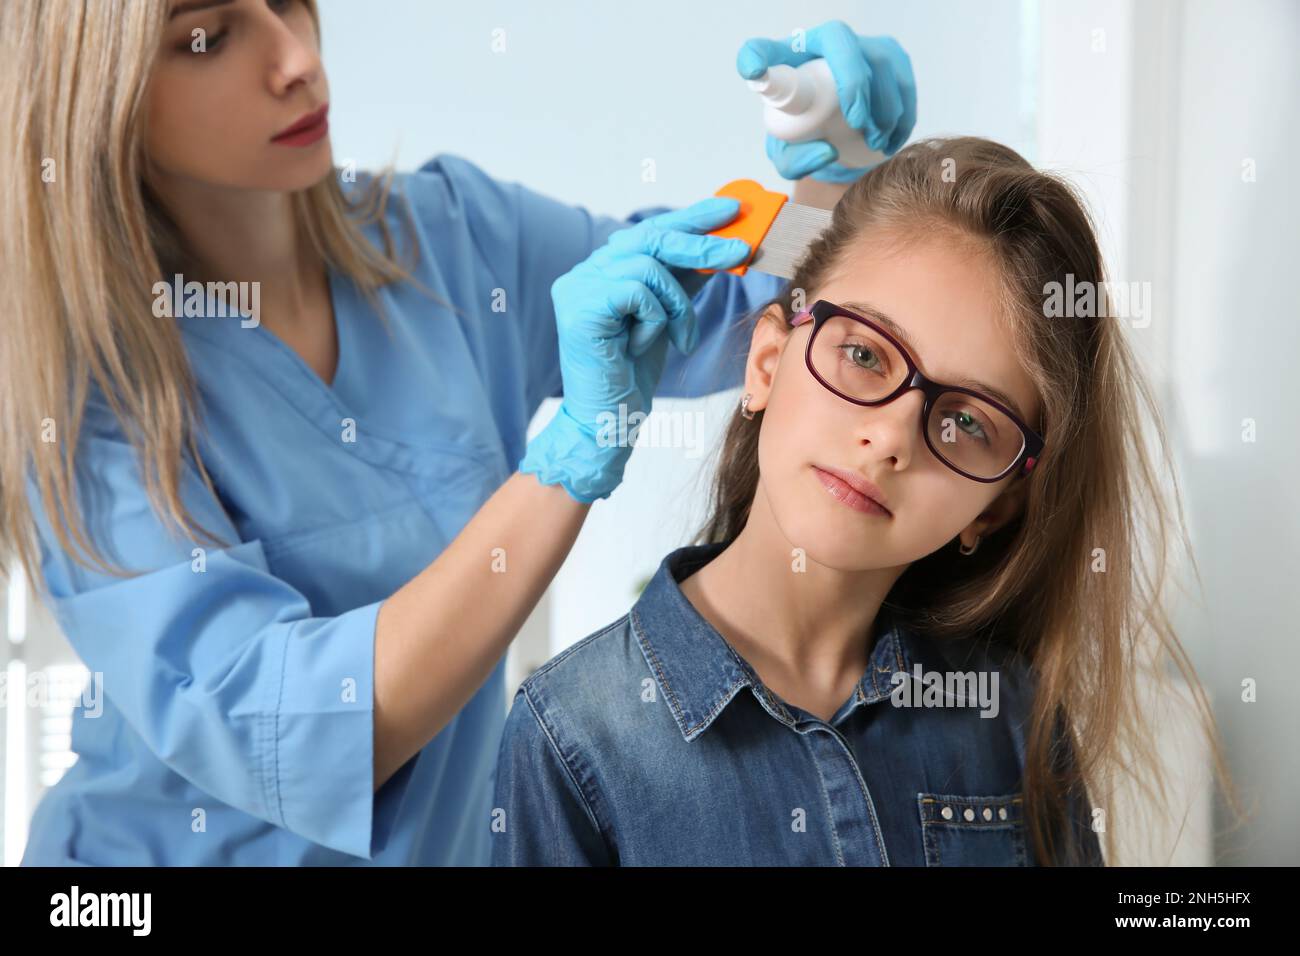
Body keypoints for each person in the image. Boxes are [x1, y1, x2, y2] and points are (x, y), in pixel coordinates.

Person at [0, 1, 916, 865]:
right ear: (97, 90)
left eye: (286, 1)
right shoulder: (91, 402)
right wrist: (569, 463)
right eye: (207, 36)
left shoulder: (449, 237)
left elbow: (743, 318)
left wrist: (829, 178)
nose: (296, 61)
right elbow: (304, 728)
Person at [490, 136, 1241, 866]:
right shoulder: (574, 734)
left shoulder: (1012, 718)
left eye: (966, 421)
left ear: (995, 507)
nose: (890, 439)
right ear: (767, 363)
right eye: (863, 354)